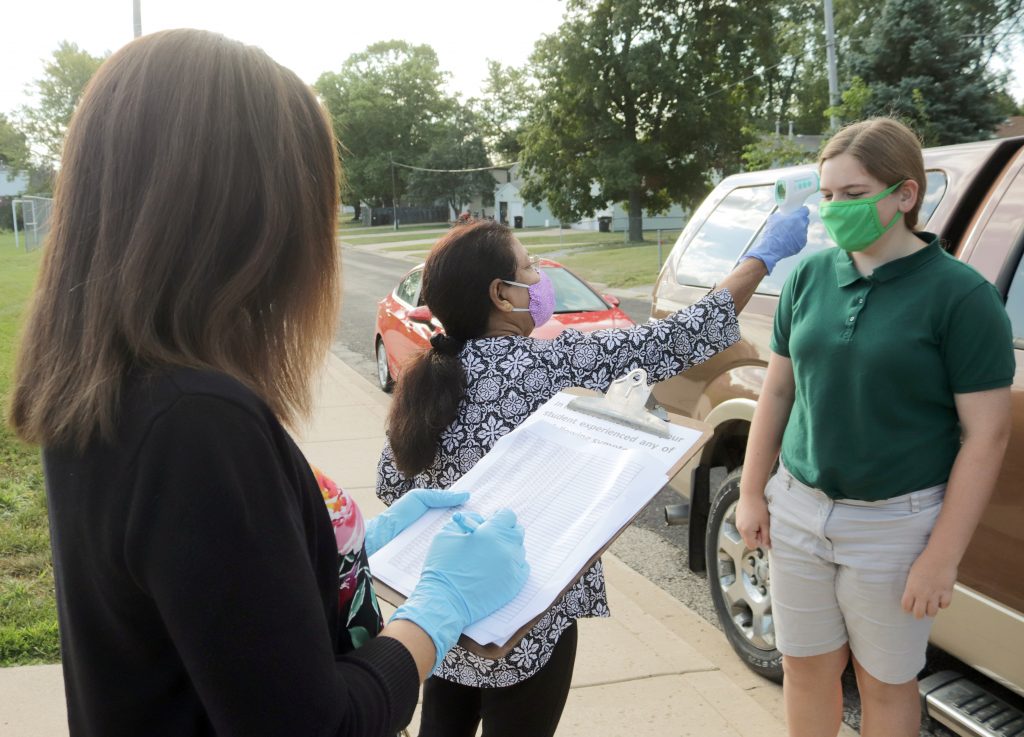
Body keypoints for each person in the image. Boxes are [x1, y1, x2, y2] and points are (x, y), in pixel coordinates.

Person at [7, 29, 530, 737]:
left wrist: (346, 545)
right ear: (247, 218)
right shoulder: (196, 424)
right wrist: (439, 607)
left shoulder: (111, 386)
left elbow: (209, 598)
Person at [377, 211, 810, 737]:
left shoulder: (423, 381)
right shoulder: (548, 367)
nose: (539, 282)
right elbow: (678, 338)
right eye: (529, 269)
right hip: (524, 621)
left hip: (444, 617)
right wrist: (759, 258)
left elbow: (392, 487)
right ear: (500, 294)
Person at [735, 117, 1014, 737]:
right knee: (805, 667)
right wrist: (754, 490)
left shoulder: (961, 297)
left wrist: (941, 556)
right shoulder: (808, 276)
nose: (835, 210)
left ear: (905, 195)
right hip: (799, 511)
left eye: (854, 195)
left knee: (885, 684)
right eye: (828, 195)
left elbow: (986, 437)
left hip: (896, 525)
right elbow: (779, 390)